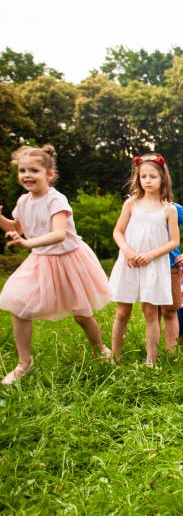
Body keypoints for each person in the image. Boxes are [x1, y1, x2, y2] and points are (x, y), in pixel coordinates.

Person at [0, 145, 112, 384]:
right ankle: (24, 363)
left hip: (69, 260)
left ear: (48, 174)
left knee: (81, 315)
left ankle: (100, 349)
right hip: (41, 260)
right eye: (22, 170)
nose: (27, 175)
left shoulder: (56, 200)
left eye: (34, 171)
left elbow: (59, 234)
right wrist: (2, 221)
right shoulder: (23, 201)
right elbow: (17, 227)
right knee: (20, 308)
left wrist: (28, 243)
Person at [108, 154, 179, 366]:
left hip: (153, 264)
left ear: (162, 178)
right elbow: (118, 231)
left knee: (150, 312)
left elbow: (174, 241)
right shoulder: (131, 204)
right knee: (122, 312)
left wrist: (150, 255)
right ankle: (114, 357)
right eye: (143, 176)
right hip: (129, 263)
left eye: (153, 177)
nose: (147, 181)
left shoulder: (169, 209)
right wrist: (127, 251)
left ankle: (151, 361)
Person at [159, 202, 183, 351]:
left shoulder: (174, 208)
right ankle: (153, 353)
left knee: (169, 311)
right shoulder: (140, 207)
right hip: (148, 266)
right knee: (151, 313)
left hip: (171, 265)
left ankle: (171, 354)